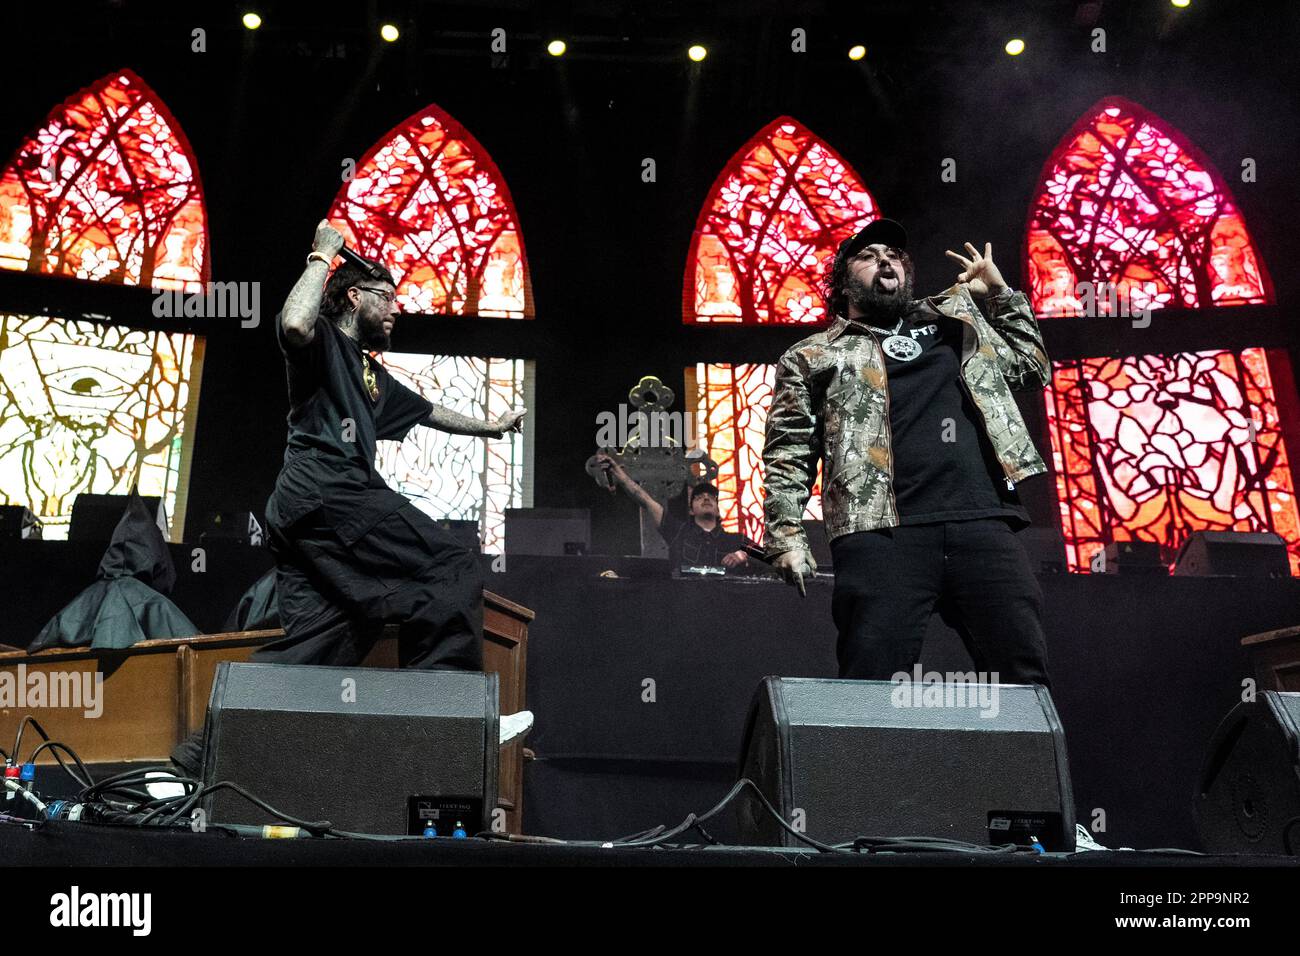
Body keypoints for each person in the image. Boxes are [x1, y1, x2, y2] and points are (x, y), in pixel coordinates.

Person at [168, 220, 532, 779]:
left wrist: (492, 428)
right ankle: (454, 714)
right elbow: (292, 321)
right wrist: (322, 256)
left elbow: (430, 412)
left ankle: (191, 763)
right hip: (328, 487)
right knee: (450, 562)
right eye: (387, 298)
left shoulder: (372, 375)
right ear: (355, 296)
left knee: (332, 637)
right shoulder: (324, 345)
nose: (396, 310)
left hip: (301, 511)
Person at [762, 218, 1054, 686]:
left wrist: (1000, 295)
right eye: (868, 255)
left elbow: (1031, 370)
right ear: (840, 281)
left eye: (894, 255)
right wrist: (786, 534)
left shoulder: (954, 323)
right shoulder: (811, 355)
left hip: (981, 522)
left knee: (1024, 675)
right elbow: (789, 448)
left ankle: (1018, 762)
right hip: (880, 535)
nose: (885, 261)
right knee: (871, 682)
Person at [595, 452, 753, 571]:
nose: (706, 498)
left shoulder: (736, 540)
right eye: (698, 497)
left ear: (718, 511)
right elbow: (644, 499)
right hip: (686, 603)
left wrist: (741, 555)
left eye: (711, 497)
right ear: (691, 510)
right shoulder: (678, 531)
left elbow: (769, 557)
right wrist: (617, 472)